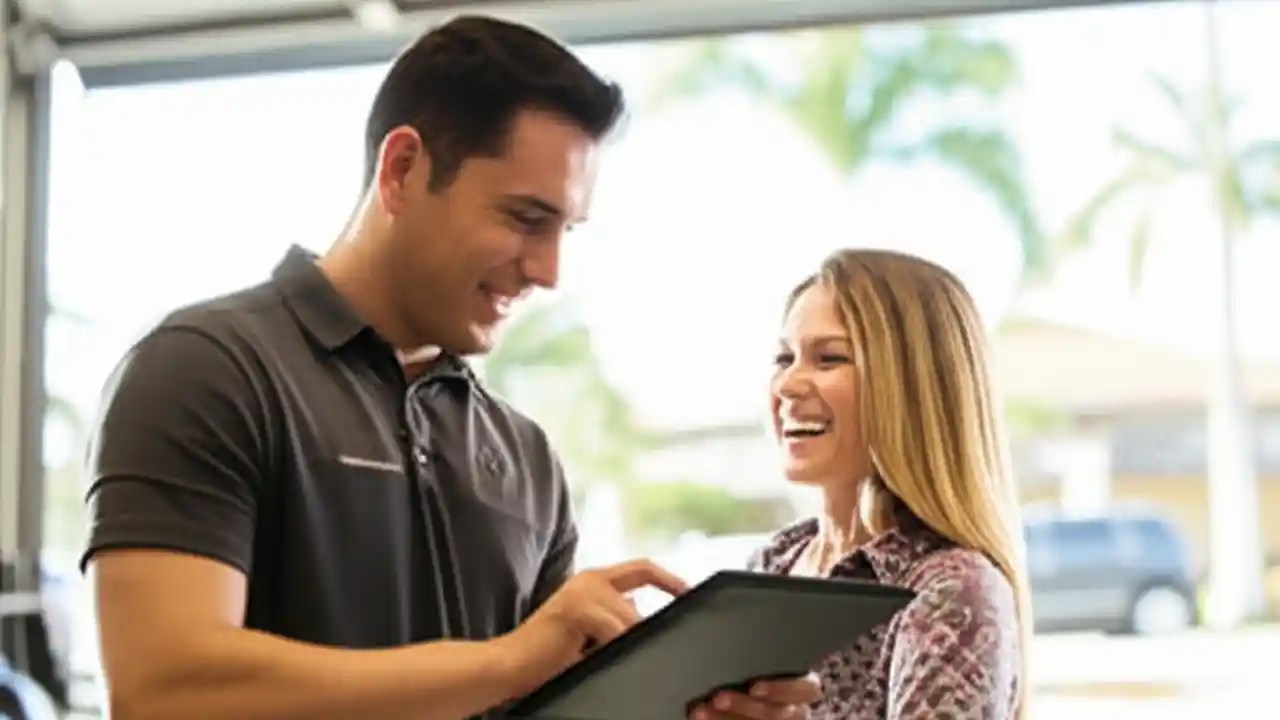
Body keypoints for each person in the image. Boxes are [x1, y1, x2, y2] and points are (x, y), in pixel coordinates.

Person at [81, 15, 820, 720]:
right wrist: (505, 661)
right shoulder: (206, 371)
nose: (549, 269)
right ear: (403, 170)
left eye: (566, 229)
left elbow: (541, 698)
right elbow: (165, 692)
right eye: (526, 220)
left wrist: (679, 703)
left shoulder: (526, 458)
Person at [753, 249, 1031, 719]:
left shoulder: (953, 589)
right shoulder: (775, 562)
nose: (787, 385)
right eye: (785, 358)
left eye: (829, 358)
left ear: (910, 386)